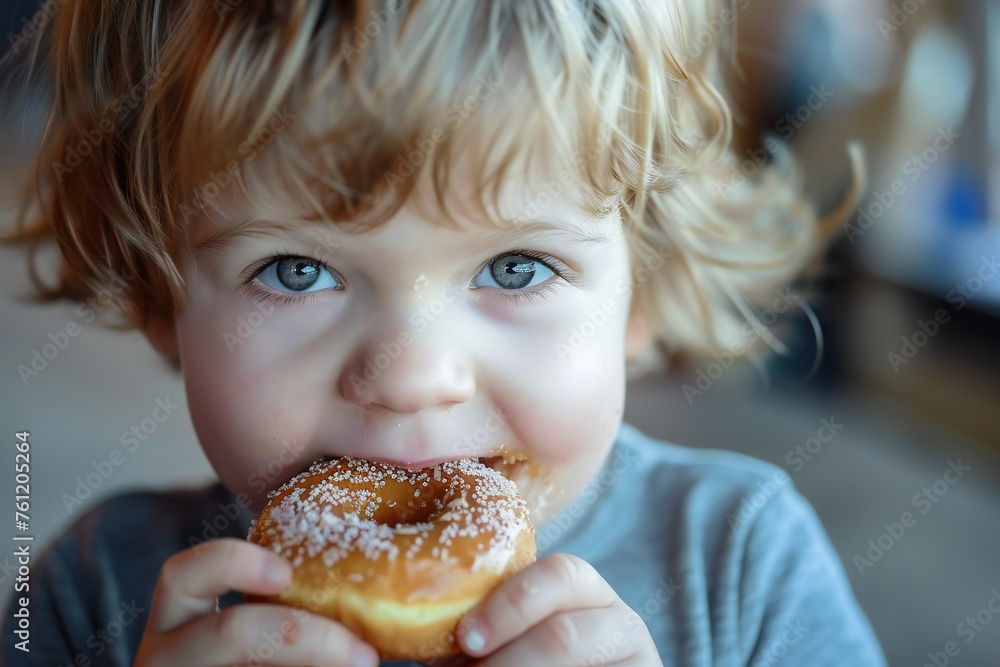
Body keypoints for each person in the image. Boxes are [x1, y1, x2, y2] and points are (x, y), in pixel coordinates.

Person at [1, 0, 886, 665]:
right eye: (297, 270)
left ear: (643, 295)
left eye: (516, 268)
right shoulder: (97, 592)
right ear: (161, 302)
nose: (412, 376)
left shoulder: (739, 565)